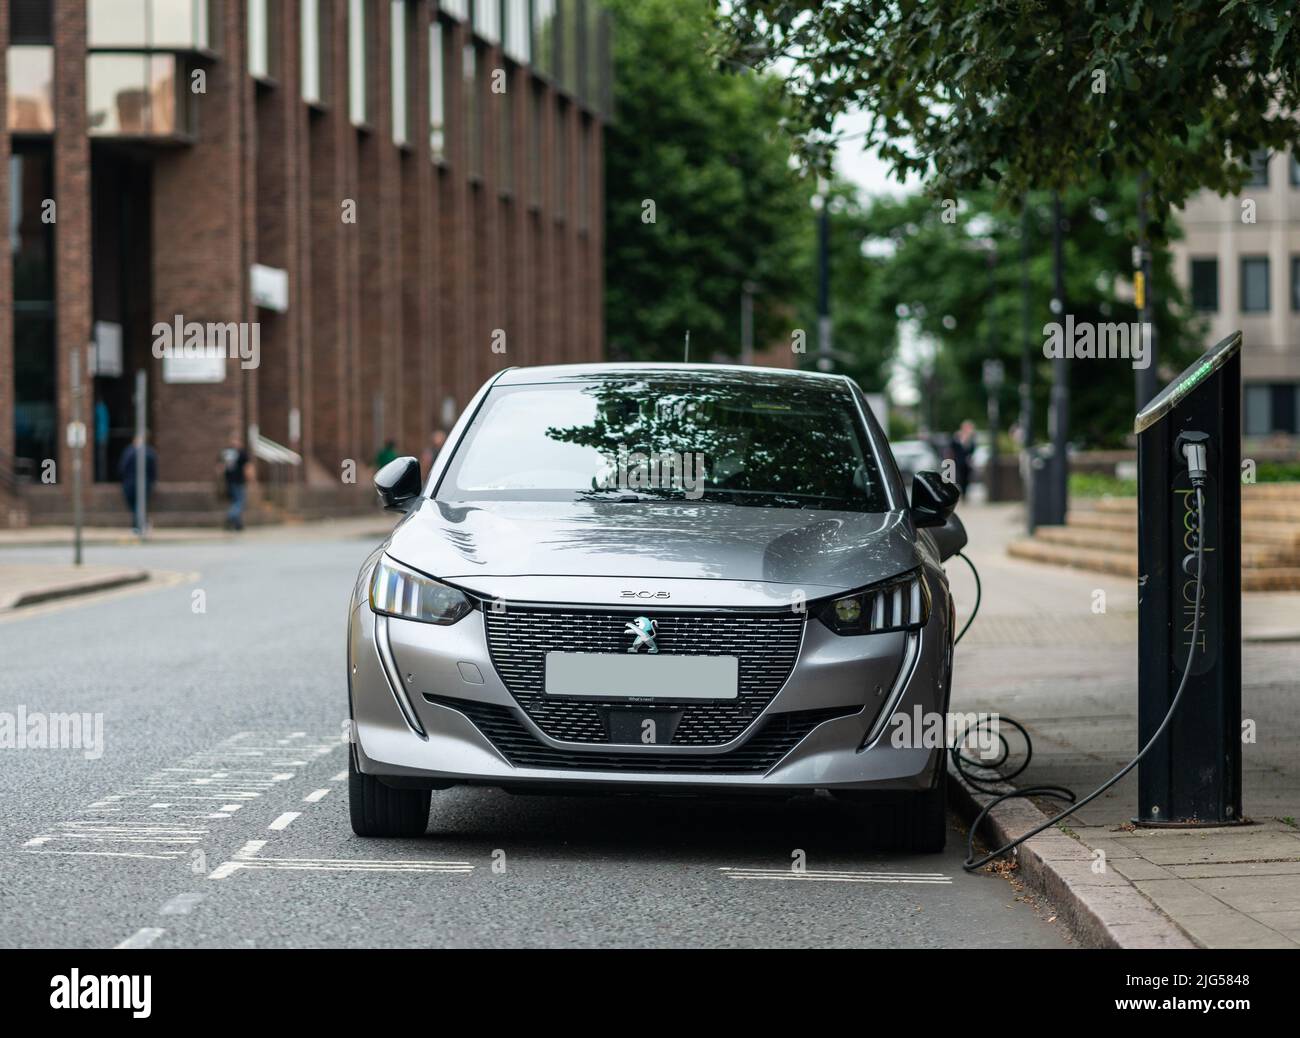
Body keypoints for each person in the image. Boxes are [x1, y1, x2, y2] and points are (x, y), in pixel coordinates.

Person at [118, 435, 157, 534]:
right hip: (144, 483)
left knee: (136, 505)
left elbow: (122, 467)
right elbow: (153, 470)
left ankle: (138, 525)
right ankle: (143, 522)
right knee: (139, 505)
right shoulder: (149, 452)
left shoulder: (129, 452)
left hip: (130, 483)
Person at [220, 443, 252, 532]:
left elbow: (219, 467)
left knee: (235, 502)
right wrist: (250, 479)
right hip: (238, 481)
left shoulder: (225, 452)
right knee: (239, 502)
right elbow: (247, 467)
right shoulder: (241, 453)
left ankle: (238, 524)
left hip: (229, 481)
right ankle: (231, 516)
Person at [949, 419, 977, 497]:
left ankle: (964, 494)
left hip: (966, 462)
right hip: (957, 461)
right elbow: (953, 448)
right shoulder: (957, 436)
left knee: (966, 478)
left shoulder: (971, 438)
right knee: (958, 478)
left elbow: (972, 450)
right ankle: (958, 493)